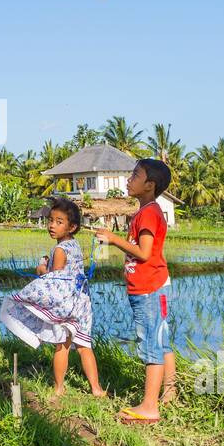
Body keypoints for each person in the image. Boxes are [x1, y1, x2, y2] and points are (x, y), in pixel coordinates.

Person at [93, 159, 175, 423]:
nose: (128, 179)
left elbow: (144, 252)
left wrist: (114, 239)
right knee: (161, 339)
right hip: (153, 285)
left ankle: (150, 406)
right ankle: (169, 393)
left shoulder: (149, 213)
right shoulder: (145, 211)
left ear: (149, 185)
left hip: (150, 289)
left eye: (134, 175)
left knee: (151, 342)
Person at [0, 197, 105, 398]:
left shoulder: (59, 249)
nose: (52, 226)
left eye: (59, 222)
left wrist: (41, 268)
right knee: (84, 345)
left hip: (65, 304)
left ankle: (58, 388)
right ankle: (96, 388)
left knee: (62, 345)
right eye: (51, 220)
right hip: (81, 301)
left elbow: (53, 279)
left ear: (72, 227)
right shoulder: (73, 245)